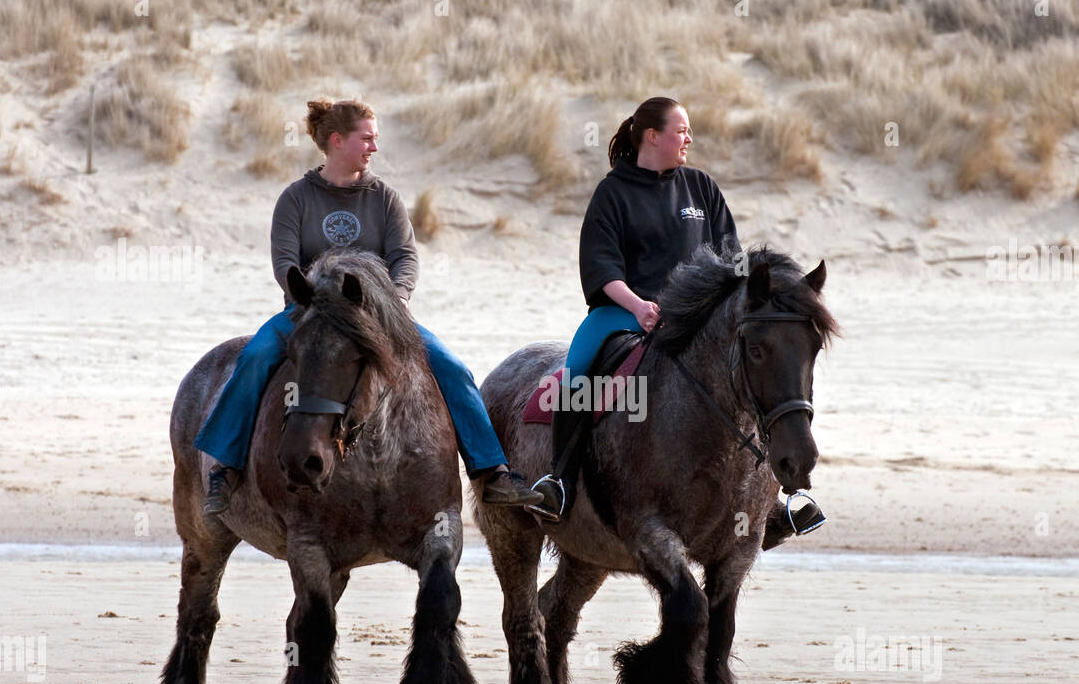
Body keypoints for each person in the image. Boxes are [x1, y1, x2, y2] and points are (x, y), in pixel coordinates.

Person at [195, 98, 541, 514]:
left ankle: (491, 473)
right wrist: (311, 299)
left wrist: (394, 299)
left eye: (375, 139)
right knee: (254, 357)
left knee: (451, 366)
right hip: (311, 316)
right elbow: (285, 263)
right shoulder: (296, 198)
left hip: (378, 318)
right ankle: (226, 469)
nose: (374, 147)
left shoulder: (384, 198)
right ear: (338, 141)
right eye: (367, 138)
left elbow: (405, 257)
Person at [527, 96, 825, 547]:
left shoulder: (701, 188)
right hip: (622, 315)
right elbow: (600, 266)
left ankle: (775, 502)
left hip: (698, 322)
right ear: (653, 136)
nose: (689, 138)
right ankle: (560, 483)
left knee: (755, 377)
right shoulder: (613, 193)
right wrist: (638, 305)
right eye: (681, 130)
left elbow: (731, 260)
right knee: (576, 379)